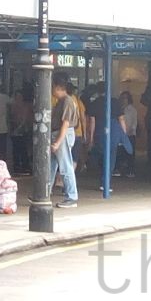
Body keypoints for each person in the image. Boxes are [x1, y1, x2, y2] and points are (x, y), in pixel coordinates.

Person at [49, 75, 84, 207]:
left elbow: (65, 124)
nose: (51, 89)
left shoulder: (68, 101)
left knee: (65, 165)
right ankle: (44, 193)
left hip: (62, 135)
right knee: (51, 166)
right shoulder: (61, 101)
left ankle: (71, 196)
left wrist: (58, 142)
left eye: (52, 86)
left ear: (58, 87)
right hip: (58, 134)